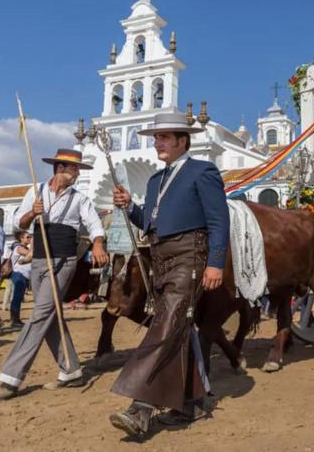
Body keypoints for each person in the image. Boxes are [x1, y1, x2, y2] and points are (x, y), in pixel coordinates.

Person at [108, 112, 230, 439]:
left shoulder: (202, 171)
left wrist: (216, 263)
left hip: (191, 255)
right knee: (177, 327)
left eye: (163, 137)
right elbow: (149, 222)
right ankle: (190, 403)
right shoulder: (154, 180)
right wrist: (129, 207)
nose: (156, 143)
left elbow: (219, 221)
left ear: (182, 140)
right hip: (161, 260)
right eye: (155, 138)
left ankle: (141, 408)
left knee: (166, 325)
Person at [0, 149, 108, 401]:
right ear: (60, 168)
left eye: (77, 170)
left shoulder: (80, 199)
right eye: (74, 169)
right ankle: (72, 370)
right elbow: (18, 224)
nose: (77, 174)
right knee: (51, 316)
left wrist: (97, 243)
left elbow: (95, 224)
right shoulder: (36, 190)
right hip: (39, 259)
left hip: (64, 261)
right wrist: (33, 212)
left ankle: (11, 377)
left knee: (40, 313)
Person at [9, 231, 33, 328]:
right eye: (27, 237)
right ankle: (14, 320)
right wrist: (33, 244)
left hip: (24, 275)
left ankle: (16, 319)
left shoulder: (24, 247)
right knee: (17, 297)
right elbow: (30, 254)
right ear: (21, 239)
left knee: (19, 297)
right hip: (19, 274)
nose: (29, 238)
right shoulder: (19, 248)